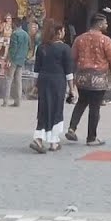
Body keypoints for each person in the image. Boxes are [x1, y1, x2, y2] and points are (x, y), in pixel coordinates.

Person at [66, 13, 111, 147]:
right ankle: (91, 137)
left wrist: (72, 77)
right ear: (99, 24)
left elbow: (72, 58)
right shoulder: (105, 40)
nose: (107, 25)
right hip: (98, 79)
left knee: (81, 103)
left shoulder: (79, 39)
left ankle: (72, 128)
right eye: (105, 23)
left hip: (82, 78)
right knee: (95, 108)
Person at [29, 19, 75, 153]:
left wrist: (35, 85)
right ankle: (54, 141)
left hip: (43, 80)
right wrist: (72, 89)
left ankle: (39, 138)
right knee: (56, 108)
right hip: (57, 81)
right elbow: (69, 71)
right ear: (58, 32)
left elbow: (36, 70)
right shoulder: (65, 48)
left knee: (43, 108)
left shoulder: (41, 47)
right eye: (63, 30)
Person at [2, 18, 31, 107]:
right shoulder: (26, 34)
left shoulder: (15, 34)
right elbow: (29, 47)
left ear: (14, 24)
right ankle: (18, 101)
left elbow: (13, 48)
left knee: (8, 79)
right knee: (18, 81)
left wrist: (9, 59)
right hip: (21, 60)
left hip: (13, 59)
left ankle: (5, 101)